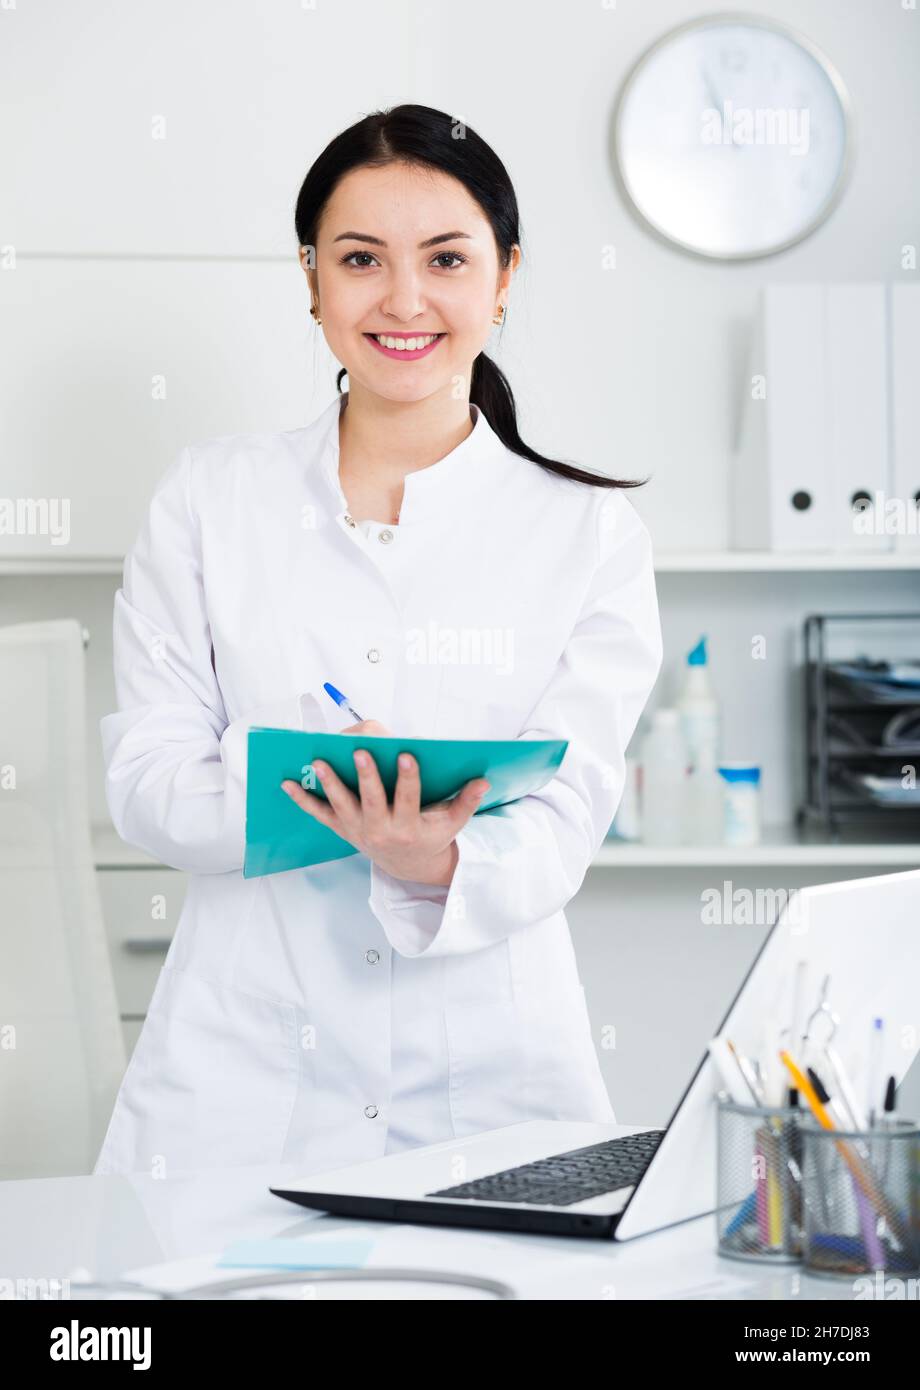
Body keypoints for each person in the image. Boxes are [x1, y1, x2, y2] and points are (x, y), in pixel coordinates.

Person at [93, 104, 663, 1178]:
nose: (404, 299)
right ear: (312, 279)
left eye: (445, 258)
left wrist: (436, 857)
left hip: (492, 1076)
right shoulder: (209, 499)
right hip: (242, 1072)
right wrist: (326, 798)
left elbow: (564, 813)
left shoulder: (589, 534)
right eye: (361, 259)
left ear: (503, 278)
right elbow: (146, 779)